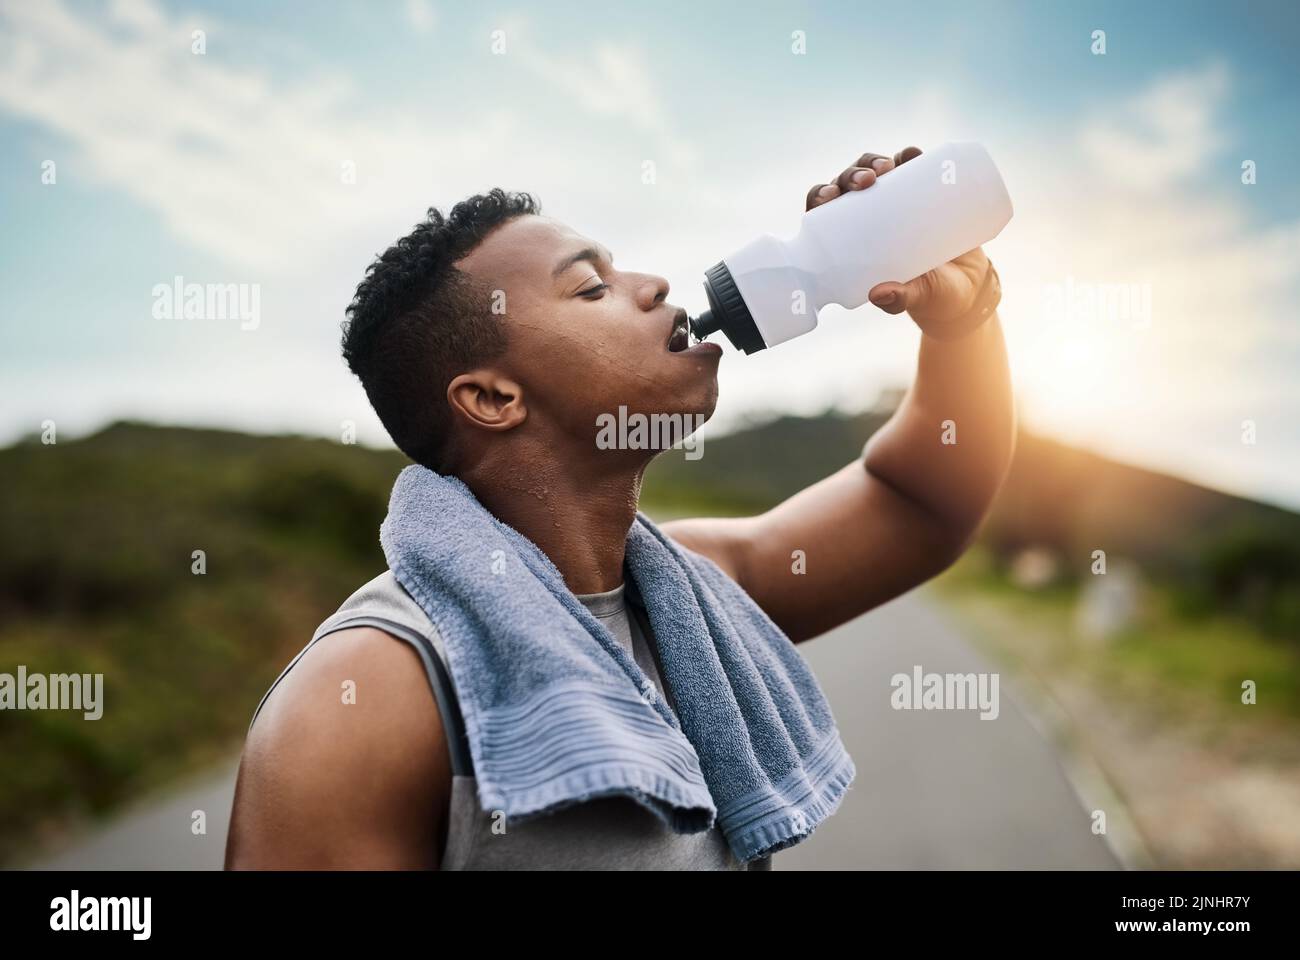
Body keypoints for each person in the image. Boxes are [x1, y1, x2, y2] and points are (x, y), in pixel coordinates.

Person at [224, 145, 1015, 870]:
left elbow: (920, 504)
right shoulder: (363, 699)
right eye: (591, 286)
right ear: (493, 397)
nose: (654, 286)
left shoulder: (694, 595)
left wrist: (961, 323)